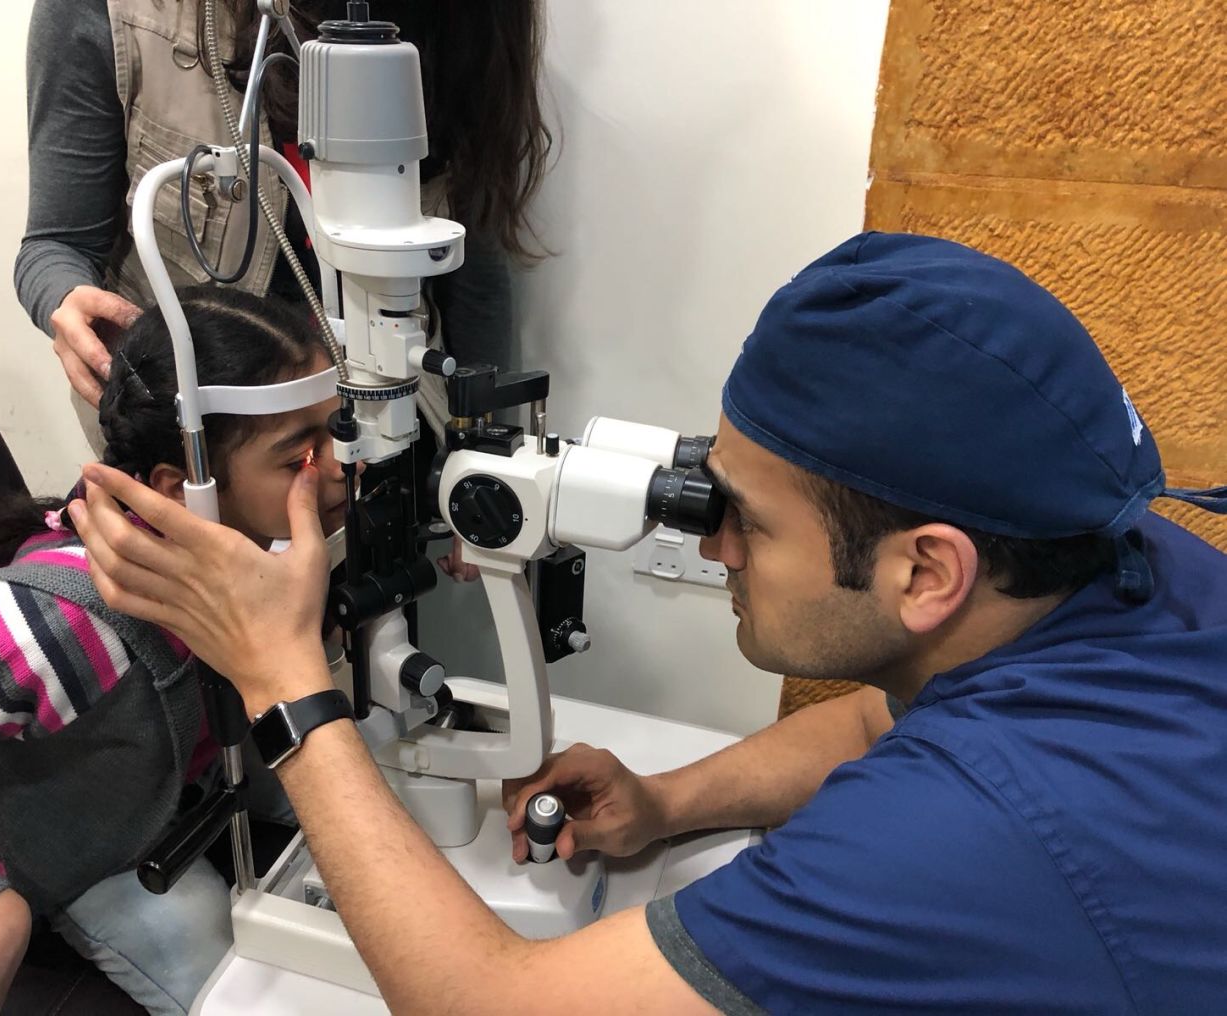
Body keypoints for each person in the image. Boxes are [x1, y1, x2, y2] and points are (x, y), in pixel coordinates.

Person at [69, 232, 1227, 1013]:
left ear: (926, 569)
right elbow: (887, 717)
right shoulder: (1128, 560)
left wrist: (283, 678)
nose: (713, 542)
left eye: (749, 522)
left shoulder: (952, 844)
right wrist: (671, 802)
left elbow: (490, 1005)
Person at [0, 286, 355, 1016]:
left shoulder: (258, 543)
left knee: (386, 808)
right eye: (300, 456)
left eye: (334, 431)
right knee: (254, 994)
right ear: (180, 489)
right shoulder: (54, 633)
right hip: (90, 850)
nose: (336, 469)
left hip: (191, 770)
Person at [15, 0, 550, 409]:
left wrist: (481, 450)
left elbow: (474, 273)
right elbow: (54, 245)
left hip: (388, 416)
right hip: (199, 427)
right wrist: (65, 301)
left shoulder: (464, 22)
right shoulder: (113, 15)